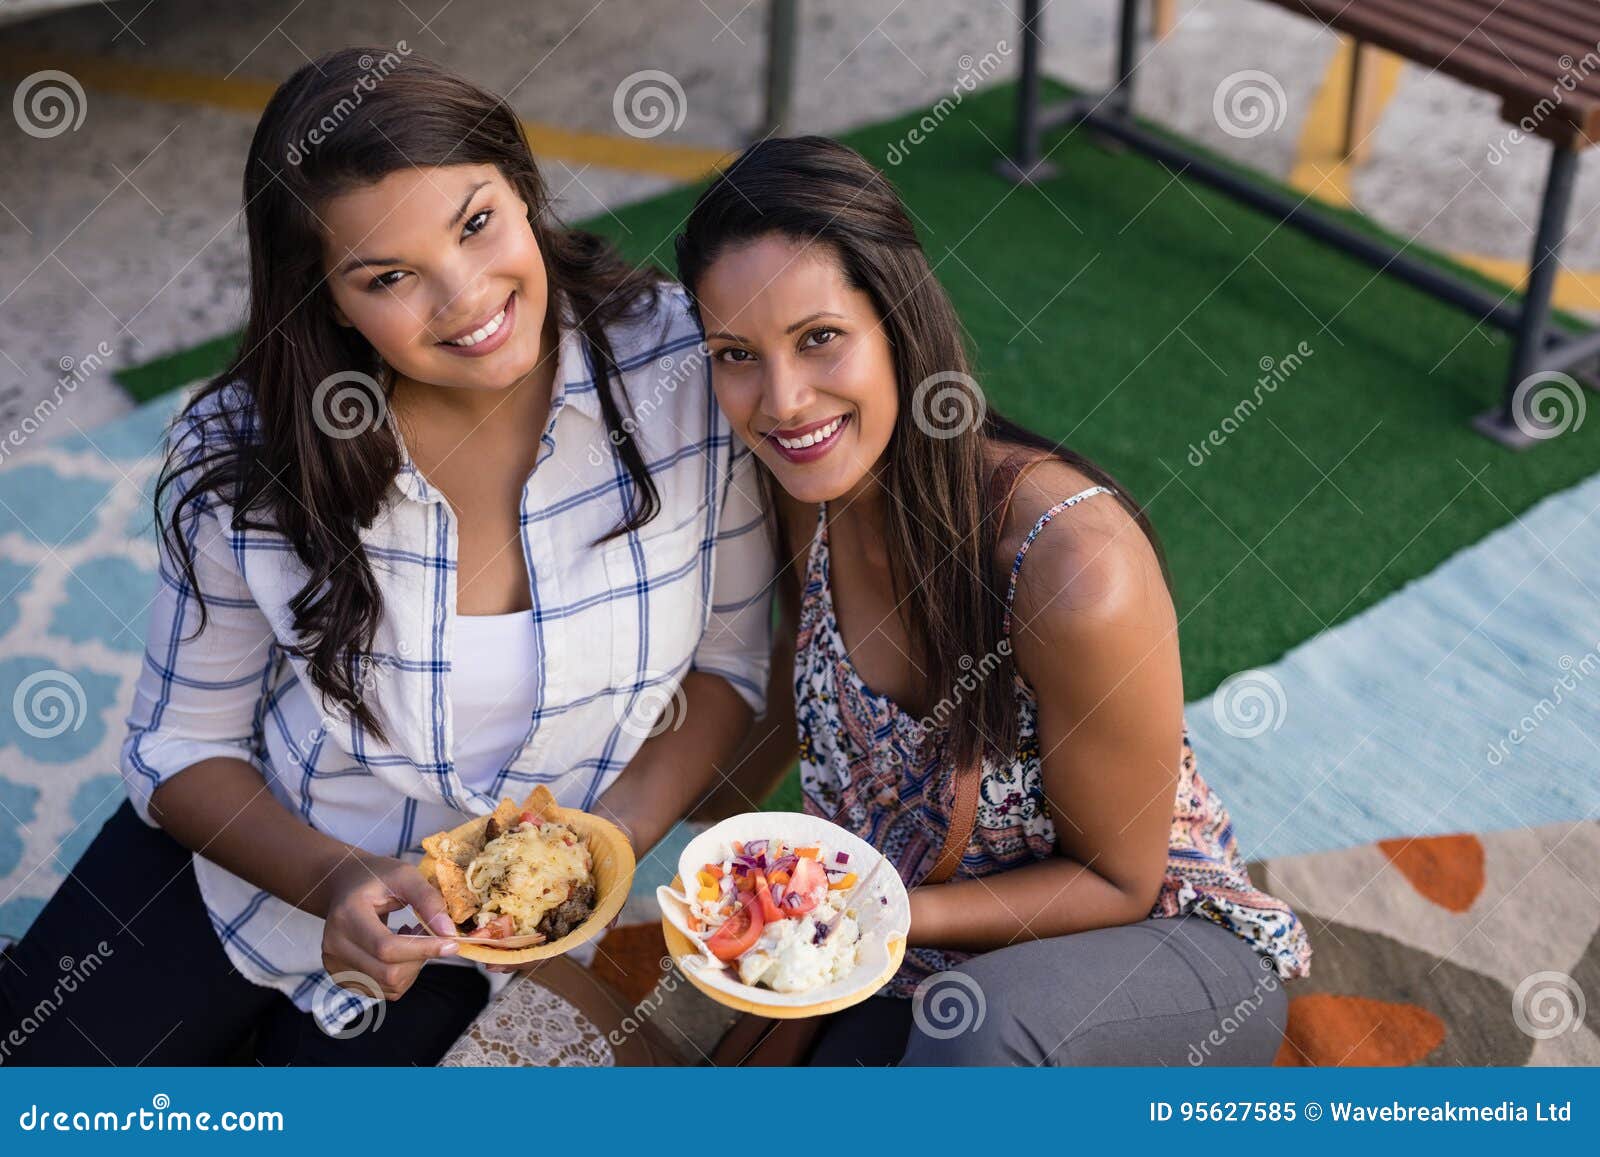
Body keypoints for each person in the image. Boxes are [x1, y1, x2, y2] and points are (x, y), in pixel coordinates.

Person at [0, 48, 772, 1066]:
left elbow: (729, 664)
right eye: (389, 276)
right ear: (326, 297)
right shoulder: (244, 452)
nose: (465, 299)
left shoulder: (682, 374)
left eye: (477, 222)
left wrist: (595, 850)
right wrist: (336, 880)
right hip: (240, 866)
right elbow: (180, 747)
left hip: (459, 951)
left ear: (525, 191)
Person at [675, 136, 1312, 1066]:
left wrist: (862, 916)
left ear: (898, 322)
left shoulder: (1073, 568)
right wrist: (642, 837)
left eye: (819, 338)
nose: (782, 399)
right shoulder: (806, 486)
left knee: (977, 1028)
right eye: (737, 353)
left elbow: (1118, 880)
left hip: (1155, 956)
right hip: (918, 944)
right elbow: (795, 690)